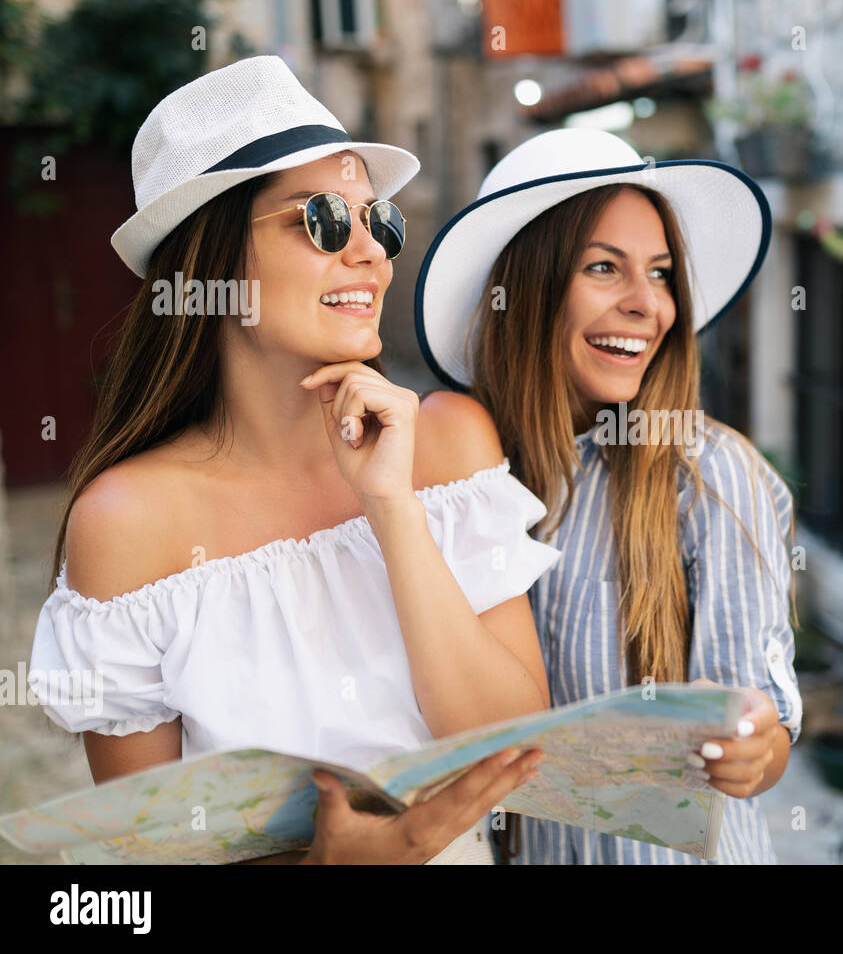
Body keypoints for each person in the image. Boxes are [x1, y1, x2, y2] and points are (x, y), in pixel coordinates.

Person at [28, 56, 560, 864]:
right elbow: (147, 858)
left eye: (378, 222)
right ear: (211, 265)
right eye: (319, 220)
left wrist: (392, 509)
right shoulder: (128, 525)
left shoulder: (447, 443)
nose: (370, 254)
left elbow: (512, 752)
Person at [414, 128, 802, 863]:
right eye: (604, 268)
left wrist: (756, 743)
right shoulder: (463, 479)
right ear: (523, 291)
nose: (647, 305)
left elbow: (764, 721)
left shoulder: (711, 476)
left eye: (660, 274)